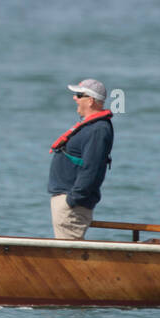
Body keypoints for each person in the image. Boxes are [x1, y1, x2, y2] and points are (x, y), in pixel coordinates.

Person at [47, 78, 113, 239]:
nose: (74, 98)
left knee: (68, 258)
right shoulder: (92, 126)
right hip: (68, 201)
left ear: (90, 101)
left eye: (79, 95)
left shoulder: (98, 130)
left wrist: (73, 200)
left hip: (72, 204)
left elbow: (92, 168)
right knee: (66, 256)